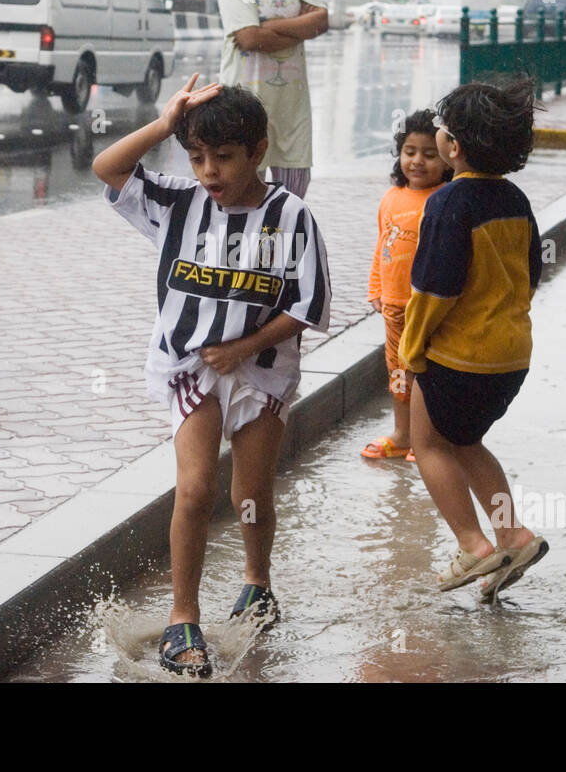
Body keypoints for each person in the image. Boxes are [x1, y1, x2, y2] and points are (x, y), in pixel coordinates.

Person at [93, 74, 331, 678]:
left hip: (262, 373)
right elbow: (106, 166)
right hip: (189, 366)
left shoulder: (291, 217)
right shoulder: (178, 203)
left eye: (223, 158)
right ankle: (183, 618)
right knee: (195, 490)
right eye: (196, 157)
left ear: (258, 150)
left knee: (249, 495)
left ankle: (256, 581)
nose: (209, 173)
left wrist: (247, 345)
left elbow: (307, 306)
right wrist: (165, 122)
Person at [398, 77, 548, 604]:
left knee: (429, 444)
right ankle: (512, 535)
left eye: (441, 131)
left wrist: (410, 353)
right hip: (510, 357)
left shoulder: (447, 203)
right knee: (468, 442)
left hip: (457, 357)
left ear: (454, 147)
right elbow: (532, 273)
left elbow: (433, 289)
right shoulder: (515, 198)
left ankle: (472, 544)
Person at [217, 0, 328, 200]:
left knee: (292, 203)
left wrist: (273, 25)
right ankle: (248, 249)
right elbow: (250, 39)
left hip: (292, 109)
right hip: (244, 109)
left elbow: (322, 21)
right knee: (244, 200)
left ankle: (284, 249)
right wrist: (298, 26)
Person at [362, 109, 453, 463]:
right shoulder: (391, 197)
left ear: (447, 158)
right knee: (399, 374)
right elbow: (382, 244)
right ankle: (402, 434)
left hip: (429, 308)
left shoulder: (446, 199)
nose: (417, 161)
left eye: (429, 154)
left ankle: (429, 440)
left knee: (429, 375)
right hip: (394, 307)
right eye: (410, 152)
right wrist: (376, 290)